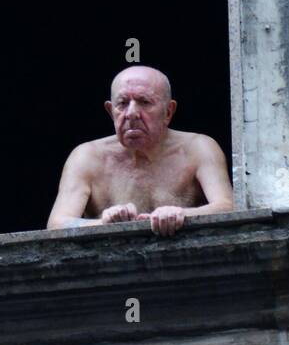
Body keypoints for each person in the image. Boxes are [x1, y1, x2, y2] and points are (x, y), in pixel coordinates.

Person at [47, 64, 234, 236]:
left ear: (168, 112)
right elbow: (57, 223)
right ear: (111, 111)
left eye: (144, 102)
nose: (131, 113)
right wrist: (103, 222)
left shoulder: (198, 148)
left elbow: (228, 207)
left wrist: (181, 214)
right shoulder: (87, 156)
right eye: (122, 103)